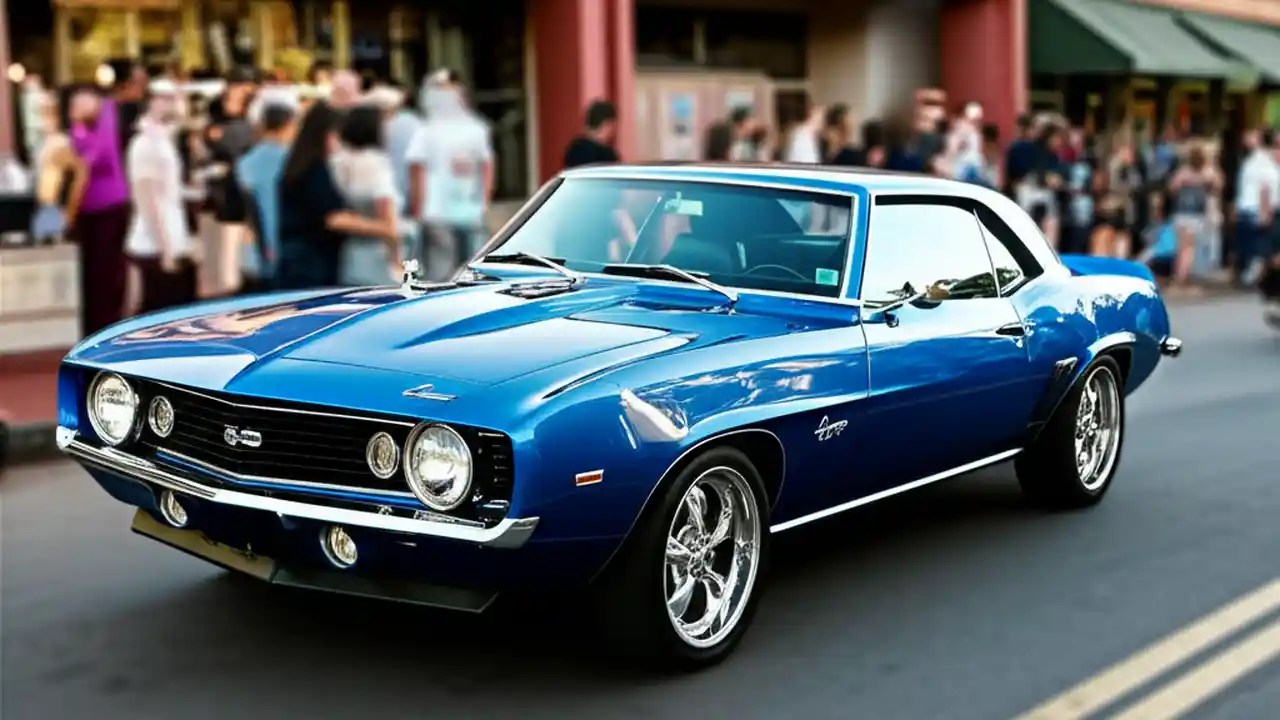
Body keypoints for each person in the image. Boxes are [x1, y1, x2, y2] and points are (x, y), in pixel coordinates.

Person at [276, 102, 394, 289]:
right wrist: (383, 227)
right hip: (312, 263)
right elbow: (334, 218)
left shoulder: (300, 167)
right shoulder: (314, 172)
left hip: (299, 259)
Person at [407, 85, 495, 277]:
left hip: (436, 210)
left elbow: (417, 170)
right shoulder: (476, 128)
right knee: (474, 267)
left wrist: (417, 207)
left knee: (441, 269)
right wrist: (485, 200)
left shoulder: (426, 130)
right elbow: (487, 167)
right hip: (469, 208)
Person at [124, 81, 197, 313]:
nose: (175, 103)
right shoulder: (145, 143)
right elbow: (147, 198)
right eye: (167, 98)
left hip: (169, 241)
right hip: (153, 245)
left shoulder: (163, 140)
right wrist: (165, 250)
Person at [69, 86, 131, 336]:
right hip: (89, 210)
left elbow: (98, 156)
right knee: (93, 275)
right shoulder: (83, 129)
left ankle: (104, 328)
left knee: (106, 273)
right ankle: (96, 326)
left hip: (107, 206)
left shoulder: (106, 117)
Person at [331, 105, 403, 285]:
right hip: (377, 255)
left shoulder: (336, 162)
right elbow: (388, 215)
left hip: (347, 253)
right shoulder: (377, 164)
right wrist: (397, 259)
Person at [236, 103, 296, 290]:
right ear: (288, 125)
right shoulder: (290, 161)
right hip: (284, 250)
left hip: (252, 253)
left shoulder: (245, 162)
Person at [31, 89, 87, 243]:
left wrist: (70, 210)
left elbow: (80, 174)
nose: (44, 118)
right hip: (43, 206)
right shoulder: (41, 143)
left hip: (56, 208)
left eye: (49, 112)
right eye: (41, 112)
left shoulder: (62, 142)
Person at [1167, 144, 1220, 294]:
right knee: (1188, 250)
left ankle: (1180, 279)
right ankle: (1181, 280)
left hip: (1182, 212)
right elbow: (1217, 185)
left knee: (1182, 249)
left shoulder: (1183, 173)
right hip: (1195, 215)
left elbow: (1172, 188)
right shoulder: (1206, 173)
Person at [1236, 129, 1278, 286]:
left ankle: (1253, 277)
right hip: (1253, 208)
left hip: (1251, 208)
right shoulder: (1261, 161)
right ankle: (1254, 277)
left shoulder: (1257, 160)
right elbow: (1263, 188)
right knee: (1257, 248)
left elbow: (1263, 188)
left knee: (1255, 248)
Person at [1093, 139, 1142, 259]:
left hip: (1122, 207)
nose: (1132, 156)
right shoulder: (1118, 165)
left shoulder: (1127, 167)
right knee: (1109, 234)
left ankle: (1118, 260)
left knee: (1122, 235)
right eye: (1129, 153)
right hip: (1114, 205)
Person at [563, 100, 620, 169]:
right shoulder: (606, 155)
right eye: (613, 126)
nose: (613, 132)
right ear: (606, 125)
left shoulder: (573, 150)